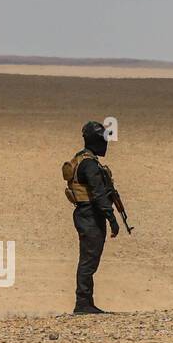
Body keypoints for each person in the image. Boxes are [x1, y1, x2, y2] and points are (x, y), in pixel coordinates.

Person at [62, 121, 120, 314]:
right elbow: (98, 194)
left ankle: (86, 301)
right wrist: (112, 219)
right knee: (89, 259)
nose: (106, 144)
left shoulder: (84, 159)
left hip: (88, 214)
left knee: (90, 258)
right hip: (89, 215)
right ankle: (83, 303)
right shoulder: (89, 164)